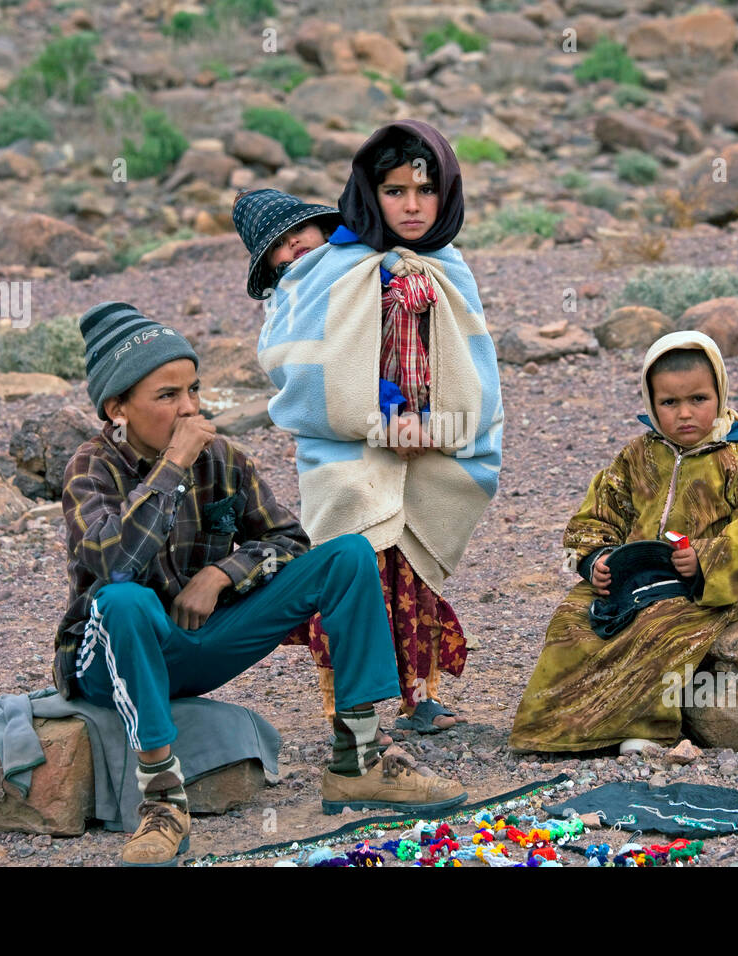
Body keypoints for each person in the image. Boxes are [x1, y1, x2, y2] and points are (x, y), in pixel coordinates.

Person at [54, 300, 466, 866]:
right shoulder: (90, 467)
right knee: (123, 600)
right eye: (166, 396)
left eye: (193, 390)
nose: (189, 408)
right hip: (112, 658)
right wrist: (170, 468)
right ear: (116, 408)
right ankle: (162, 803)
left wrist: (222, 574)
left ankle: (359, 759)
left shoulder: (222, 458)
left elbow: (288, 542)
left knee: (346, 555)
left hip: (199, 641)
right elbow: (112, 565)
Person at [239, 120, 503, 737]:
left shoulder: (448, 266)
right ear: (369, 192)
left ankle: (421, 698)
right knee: (352, 572)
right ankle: (347, 714)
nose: (412, 206)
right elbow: (304, 366)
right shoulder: (332, 270)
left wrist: (439, 422)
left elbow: (473, 365)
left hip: (429, 440)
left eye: (426, 190)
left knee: (412, 575)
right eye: (394, 192)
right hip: (352, 449)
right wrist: (378, 416)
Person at [508, 331, 738, 754]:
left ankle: (646, 730)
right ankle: (551, 729)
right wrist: (596, 559)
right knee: (572, 619)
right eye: (669, 403)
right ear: (651, 403)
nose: (685, 413)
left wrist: (704, 560)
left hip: (703, 588)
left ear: (721, 394)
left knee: (661, 630)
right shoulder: (636, 456)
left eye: (699, 399)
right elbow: (599, 513)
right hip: (634, 579)